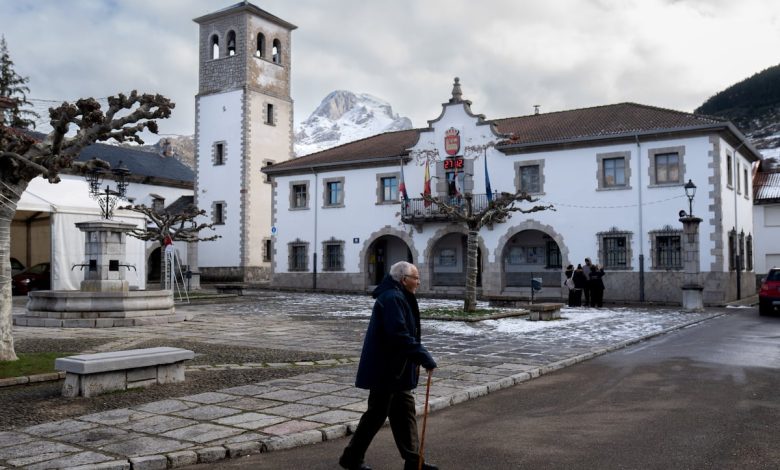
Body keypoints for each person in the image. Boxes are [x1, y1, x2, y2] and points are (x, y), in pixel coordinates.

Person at [339, 261, 439, 470]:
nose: (418, 282)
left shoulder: (398, 296)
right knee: (375, 416)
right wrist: (424, 357)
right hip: (386, 371)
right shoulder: (393, 298)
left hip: (396, 371)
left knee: (404, 415)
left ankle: (414, 462)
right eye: (416, 278)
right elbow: (399, 335)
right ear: (404, 280)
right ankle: (352, 458)